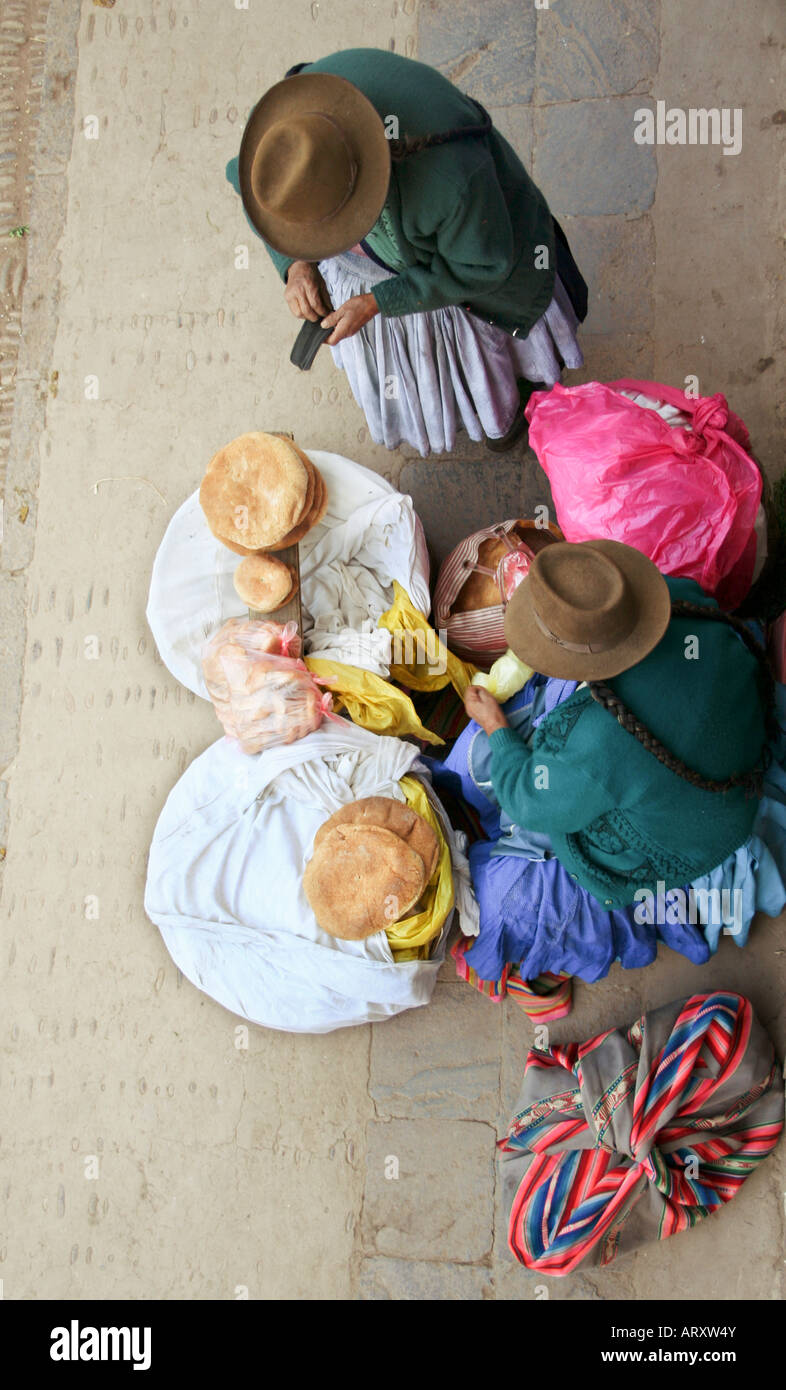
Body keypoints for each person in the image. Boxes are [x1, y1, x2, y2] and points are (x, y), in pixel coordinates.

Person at [431, 538, 786, 990]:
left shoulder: (597, 742)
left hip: (691, 827)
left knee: (503, 897)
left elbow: (528, 800)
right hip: (719, 742)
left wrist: (497, 727)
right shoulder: (672, 599)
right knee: (484, 767)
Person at [225, 48, 586, 457]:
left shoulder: (449, 183)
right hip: (388, 261)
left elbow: (482, 265)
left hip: (464, 264)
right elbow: (249, 188)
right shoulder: (286, 133)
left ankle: (501, 413)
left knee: (484, 353)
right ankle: (469, 407)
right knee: (428, 363)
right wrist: (294, 265)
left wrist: (380, 301)